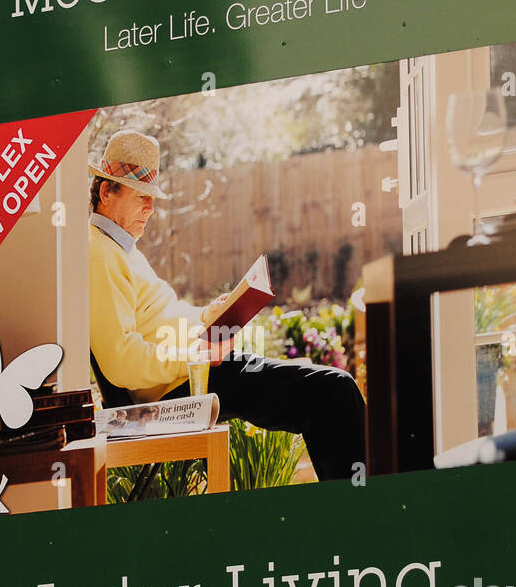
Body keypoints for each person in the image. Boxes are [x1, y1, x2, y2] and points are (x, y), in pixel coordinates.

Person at [88, 129, 366, 481]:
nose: (150, 207)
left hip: (195, 374)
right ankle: (363, 510)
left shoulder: (120, 250)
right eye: (141, 195)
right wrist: (196, 355)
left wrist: (210, 315)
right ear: (106, 191)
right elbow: (122, 364)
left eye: (153, 197)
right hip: (183, 388)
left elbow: (158, 320)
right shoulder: (99, 253)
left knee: (328, 393)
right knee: (333, 392)